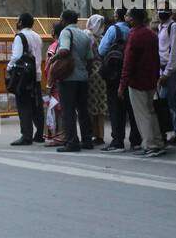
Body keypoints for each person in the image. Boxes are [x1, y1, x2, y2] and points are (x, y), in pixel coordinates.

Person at [120, 8, 166, 157]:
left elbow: (128, 63)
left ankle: (150, 144)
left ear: (133, 19)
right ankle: (157, 142)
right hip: (150, 79)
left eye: (127, 15)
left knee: (142, 114)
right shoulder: (151, 34)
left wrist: (123, 84)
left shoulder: (134, 35)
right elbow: (156, 58)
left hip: (137, 81)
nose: (125, 17)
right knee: (151, 112)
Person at [99, 7, 142, 153]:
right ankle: (136, 140)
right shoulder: (135, 30)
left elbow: (102, 50)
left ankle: (118, 141)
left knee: (116, 107)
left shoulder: (113, 30)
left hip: (114, 73)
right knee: (132, 107)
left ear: (119, 16)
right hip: (132, 72)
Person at [53, 9, 94, 152]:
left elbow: (64, 50)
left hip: (68, 78)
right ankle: (87, 140)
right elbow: (90, 58)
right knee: (83, 110)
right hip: (83, 78)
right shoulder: (84, 35)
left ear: (64, 20)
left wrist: (53, 59)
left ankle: (72, 142)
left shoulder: (65, 32)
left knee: (68, 111)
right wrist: (85, 73)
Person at [9, 12, 45, 145]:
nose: (17, 23)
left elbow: (16, 56)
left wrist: (9, 67)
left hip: (23, 76)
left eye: (18, 20)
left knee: (23, 105)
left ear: (21, 22)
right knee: (36, 104)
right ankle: (40, 133)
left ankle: (26, 135)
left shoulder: (20, 37)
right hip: (36, 74)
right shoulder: (37, 36)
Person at [156, 5, 176, 146]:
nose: (160, 13)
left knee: (164, 100)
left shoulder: (174, 27)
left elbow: (175, 52)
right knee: (174, 102)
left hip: (170, 70)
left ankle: (165, 133)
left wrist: (167, 73)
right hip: (162, 69)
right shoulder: (161, 27)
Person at [85, 14, 108, 145]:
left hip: (92, 74)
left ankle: (94, 134)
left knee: (92, 105)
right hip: (102, 74)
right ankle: (100, 135)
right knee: (101, 105)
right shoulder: (103, 38)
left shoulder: (89, 37)